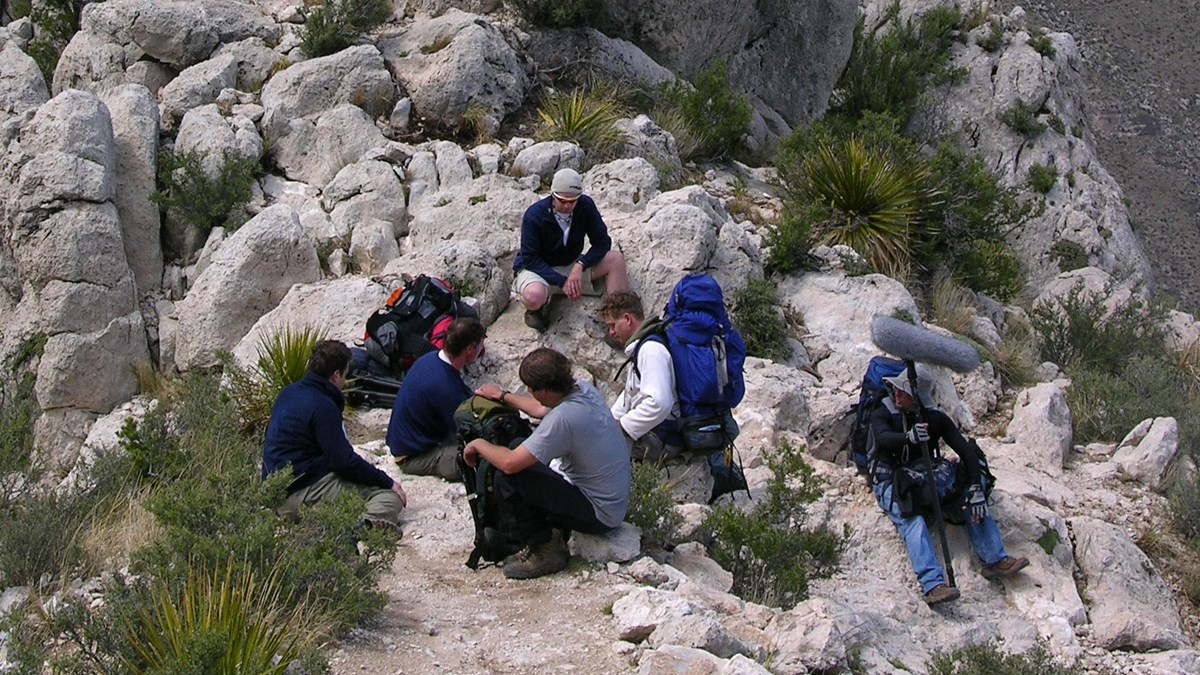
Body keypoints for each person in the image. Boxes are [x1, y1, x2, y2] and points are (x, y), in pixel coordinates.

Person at [869, 366, 1029, 605]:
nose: (896, 395)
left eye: (903, 392)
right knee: (911, 518)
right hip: (891, 480)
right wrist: (908, 438)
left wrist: (975, 488)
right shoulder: (883, 411)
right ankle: (932, 583)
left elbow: (965, 451)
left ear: (917, 398)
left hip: (924, 475)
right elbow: (882, 437)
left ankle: (995, 558)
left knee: (970, 500)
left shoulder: (935, 419)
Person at [466, 348, 630, 579]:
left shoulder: (563, 419)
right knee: (518, 446)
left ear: (543, 389)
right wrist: (502, 396)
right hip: (613, 503)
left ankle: (545, 549)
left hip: (598, 514)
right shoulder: (584, 391)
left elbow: (510, 464)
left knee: (508, 477)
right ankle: (552, 534)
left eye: (532, 389)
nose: (531, 394)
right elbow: (540, 409)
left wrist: (478, 444)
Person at [599, 291, 747, 501]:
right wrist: (609, 421)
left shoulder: (651, 350)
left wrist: (622, 429)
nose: (611, 332)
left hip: (667, 439)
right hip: (669, 431)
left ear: (627, 319)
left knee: (598, 453)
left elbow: (659, 403)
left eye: (613, 325)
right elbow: (631, 394)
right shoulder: (649, 344)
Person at [262, 339, 406, 535]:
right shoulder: (323, 405)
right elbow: (343, 461)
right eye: (345, 375)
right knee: (388, 497)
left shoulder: (288, 393)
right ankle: (362, 528)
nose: (346, 382)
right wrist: (387, 482)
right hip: (302, 492)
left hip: (276, 492)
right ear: (336, 375)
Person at [512, 168, 629, 331]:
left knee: (616, 259)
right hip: (538, 269)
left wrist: (580, 264)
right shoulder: (535, 215)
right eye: (562, 200)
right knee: (533, 296)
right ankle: (536, 310)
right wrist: (562, 281)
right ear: (553, 195)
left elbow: (602, 242)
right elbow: (530, 258)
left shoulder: (585, 206)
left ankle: (617, 318)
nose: (567, 205)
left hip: (571, 262)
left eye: (572, 201)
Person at [386, 318, 486, 481]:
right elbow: (468, 428)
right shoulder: (445, 386)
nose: (482, 349)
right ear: (470, 348)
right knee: (479, 462)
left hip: (414, 438)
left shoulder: (431, 358)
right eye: (480, 345)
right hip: (414, 456)